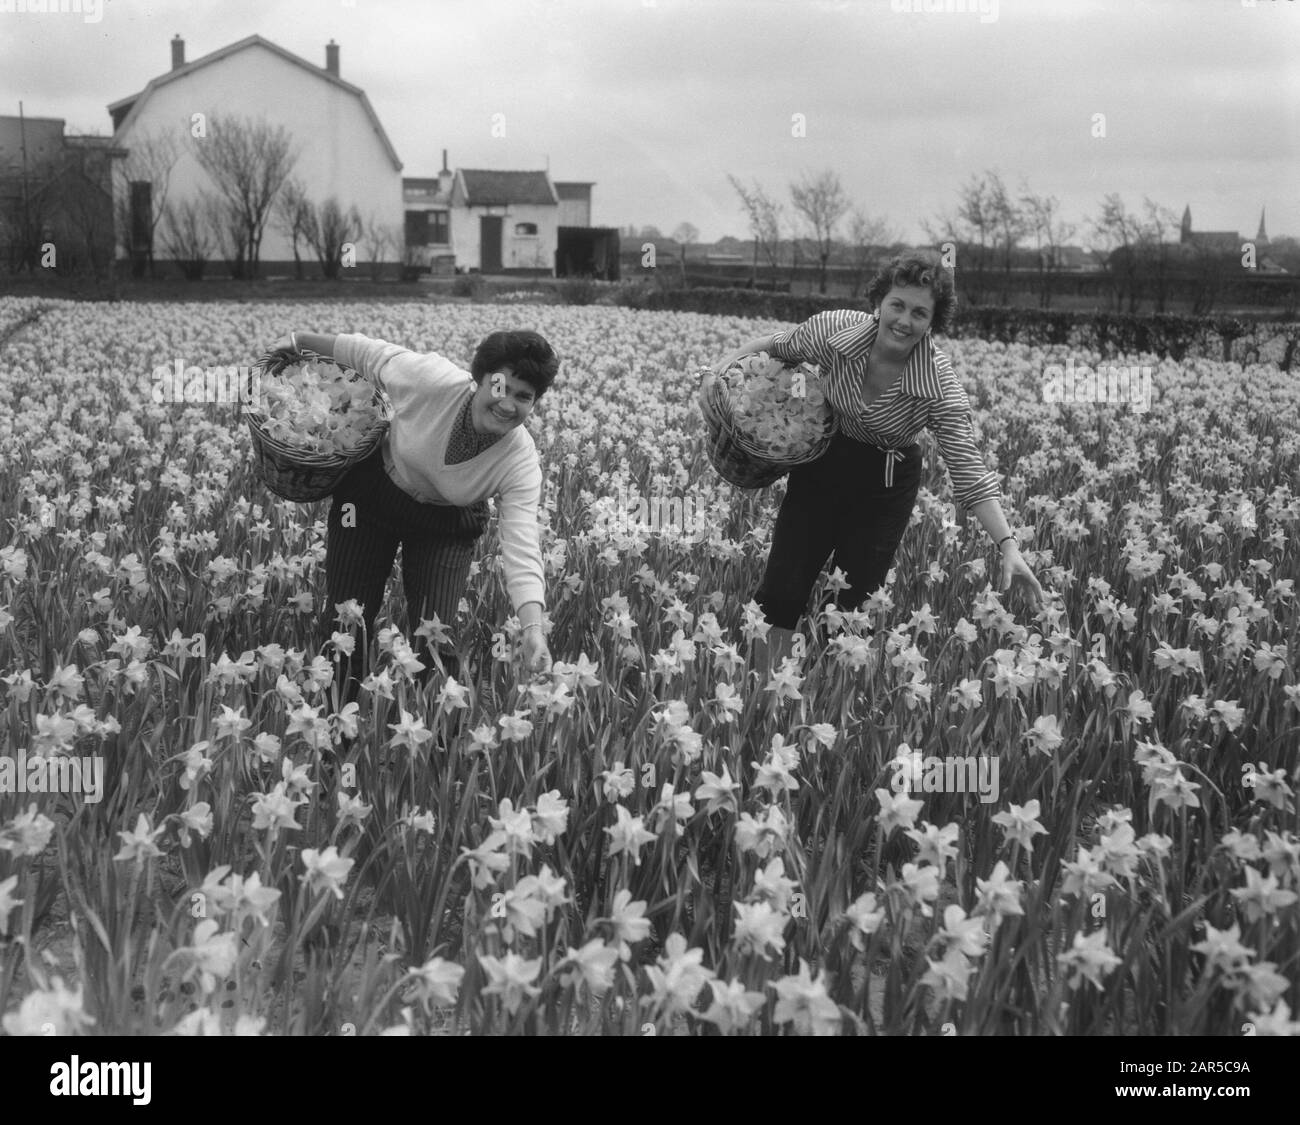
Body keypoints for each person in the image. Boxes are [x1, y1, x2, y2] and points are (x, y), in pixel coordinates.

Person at [707, 250, 1045, 671]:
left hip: (884, 484)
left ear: (932, 323)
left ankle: (833, 697)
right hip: (823, 465)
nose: (904, 320)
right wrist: (716, 373)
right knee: (782, 586)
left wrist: (1009, 546)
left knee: (852, 608)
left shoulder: (939, 384)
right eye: (897, 305)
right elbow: (776, 346)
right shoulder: (834, 331)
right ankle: (763, 690)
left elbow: (968, 469)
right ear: (879, 302)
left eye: (919, 313)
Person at [267, 327, 558, 702]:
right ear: (480, 379)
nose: (507, 404)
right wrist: (296, 342)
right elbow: (368, 353)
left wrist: (534, 629)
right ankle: (335, 736)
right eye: (501, 387)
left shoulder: (519, 460)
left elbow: (522, 545)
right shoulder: (433, 382)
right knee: (345, 624)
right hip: (368, 500)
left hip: (446, 523)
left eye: (524, 397)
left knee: (436, 637)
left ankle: (439, 753)